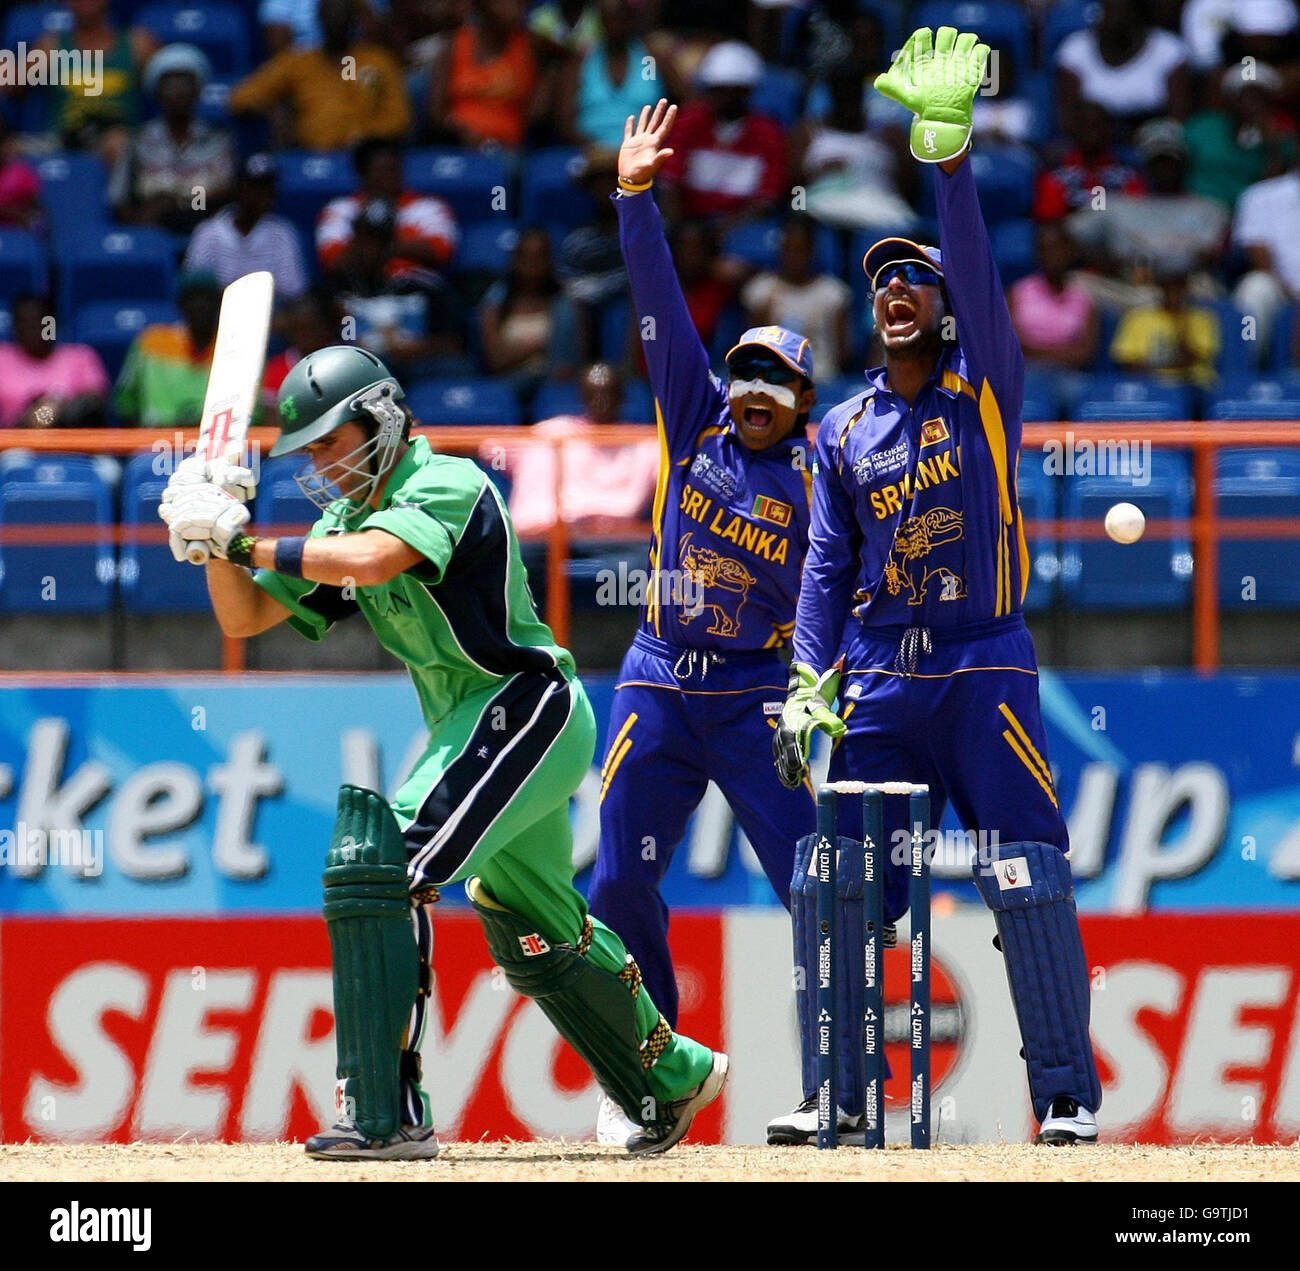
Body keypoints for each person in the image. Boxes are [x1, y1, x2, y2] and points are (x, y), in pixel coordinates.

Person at [156, 342, 727, 1158]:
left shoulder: (446, 482)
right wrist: (210, 539)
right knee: (533, 928)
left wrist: (246, 542)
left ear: (381, 420)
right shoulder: (341, 523)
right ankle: (673, 1073)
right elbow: (244, 617)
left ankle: (386, 1110)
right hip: (482, 724)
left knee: (383, 866)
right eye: (306, 451)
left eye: (328, 442)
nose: (317, 465)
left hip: (524, 707)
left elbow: (376, 559)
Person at [772, 26, 1102, 1147]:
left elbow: (973, 264)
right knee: (837, 884)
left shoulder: (985, 387)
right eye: (881, 283)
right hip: (879, 678)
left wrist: (948, 159)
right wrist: (806, 680)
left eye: (913, 278)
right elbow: (827, 564)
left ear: (948, 304)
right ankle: (835, 1093)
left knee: (1026, 873)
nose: (895, 292)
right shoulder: (842, 427)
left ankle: (1064, 1097)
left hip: (984, 662)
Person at [588, 100, 818, 1145]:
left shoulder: (821, 477)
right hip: (658, 674)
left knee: (815, 883)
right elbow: (658, 303)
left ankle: (835, 1085)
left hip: (757, 693)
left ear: (804, 400)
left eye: (779, 379)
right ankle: (648, 1078)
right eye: (747, 370)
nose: (756, 389)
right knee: (617, 876)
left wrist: (822, 684)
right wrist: (635, 195)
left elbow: (846, 590)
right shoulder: (693, 420)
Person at [493, 362, 658, 537]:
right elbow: (494, 451)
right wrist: (507, 475)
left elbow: (670, 474)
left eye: (608, 393)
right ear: (582, 396)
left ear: (621, 396)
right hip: (542, 534)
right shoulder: (552, 431)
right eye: (593, 394)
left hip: (610, 539)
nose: (601, 401)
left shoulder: (644, 443)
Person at [230, 0, 412, 151]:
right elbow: (241, 98)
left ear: (354, 19)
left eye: (343, 14)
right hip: (312, 155)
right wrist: (273, 110)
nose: (337, 20)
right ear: (319, 17)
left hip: (367, 158)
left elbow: (398, 117)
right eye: (331, 13)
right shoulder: (298, 61)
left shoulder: (376, 61)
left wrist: (362, 137)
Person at [658, 41, 787, 227]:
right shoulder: (689, 122)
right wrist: (678, 228)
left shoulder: (767, 132)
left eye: (725, 91)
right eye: (713, 89)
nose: (717, 97)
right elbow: (669, 181)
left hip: (744, 227)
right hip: (691, 223)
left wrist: (724, 230)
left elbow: (767, 197)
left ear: (745, 92)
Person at [111, 44, 236, 234]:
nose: (178, 91)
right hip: (153, 230)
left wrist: (175, 203)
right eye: (170, 84)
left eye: (186, 84)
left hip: (205, 229)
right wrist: (140, 229)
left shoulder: (218, 139)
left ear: (197, 91)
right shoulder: (138, 140)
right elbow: (120, 200)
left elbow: (223, 194)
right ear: (157, 92)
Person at [316, 138, 459, 279]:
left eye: (395, 169)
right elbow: (333, 259)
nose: (392, 177)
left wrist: (378, 246)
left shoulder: (428, 207)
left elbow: (440, 250)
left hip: (413, 284)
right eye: (383, 170)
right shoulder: (341, 209)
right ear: (362, 173)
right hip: (356, 287)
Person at [1054, 0, 1191, 140]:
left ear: (1137, 14)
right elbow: (1067, 120)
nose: (1116, 18)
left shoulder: (1169, 50)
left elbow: (1178, 120)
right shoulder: (1075, 50)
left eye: (1124, 11)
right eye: (1111, 11)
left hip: (1153, 142)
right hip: (1094, 144)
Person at [184, 154, 308, 303]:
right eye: (255, 188)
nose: (262, 196)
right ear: (239, 190)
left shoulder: (283, 233)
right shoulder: (208, 231)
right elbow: (193, 287)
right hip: (218, 309)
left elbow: (293, 290)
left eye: (267, 189)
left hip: (269, 310)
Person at [741, 216, 852, 379]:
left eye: (800, 250)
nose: (794, 257)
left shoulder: (832, 292)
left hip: (822, 378)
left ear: (812, 251)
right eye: (789, 250)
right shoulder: (761, 290)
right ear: (780, 250)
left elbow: (843, 354)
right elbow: (752, 349)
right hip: (774, 379)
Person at [479, 228, 579, 395]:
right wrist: (538, 347)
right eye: (526, 256)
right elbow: (495, 360)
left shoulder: (566, 303)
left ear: (550, 260)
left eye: (540, 256)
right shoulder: (496, 301)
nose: (533, 263)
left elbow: (572, 362)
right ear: (515, 259)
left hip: (554, 383)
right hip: (510, 384)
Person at [114, 272, 221, 428]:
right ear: (180, 304)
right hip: (157, 437)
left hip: (216, 438)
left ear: (219, 304)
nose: (200, 306)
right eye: (192, 299)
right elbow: (125, 403)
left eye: (208, 299)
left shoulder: (234, 349)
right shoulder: (151, 343)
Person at [428, 0, 539, 148]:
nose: (516, 9)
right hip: (458, 145)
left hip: (509, 148)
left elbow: (568, 54)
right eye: (505, 3)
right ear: (483, 6)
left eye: (519, 3)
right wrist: (462, 132)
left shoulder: (532, 45)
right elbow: (436, 113)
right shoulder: (454, 44)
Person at [0, 296, 110, 429]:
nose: (32, 330)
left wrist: (52, 408)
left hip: (72, 436)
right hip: (14, 436)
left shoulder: (79, 356)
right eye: (24, 323)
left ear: (52, 325)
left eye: (39, 323)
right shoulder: (2, 358)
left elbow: (95, 401)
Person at [1232, 151, 1300, 351]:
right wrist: (1292, 292)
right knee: (1255, 290)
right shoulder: (1262, 195)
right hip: (1281, 288)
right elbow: (1257, 251)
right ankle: (1247, 355)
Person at [1009, 223, 1099, 372]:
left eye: (1058, 248)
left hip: (1069, 374)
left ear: (1070, 252)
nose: (1052, 255)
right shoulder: (1017, 293)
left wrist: (1041, 356)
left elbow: (1085, 353)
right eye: (1046, 249)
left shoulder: (1084, 298)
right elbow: (1009, 342)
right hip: (1024, 370)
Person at [1110, 264, 1221, 385]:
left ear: (1186, 289)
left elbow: (1193, 359)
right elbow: (1128, 362)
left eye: (1179, 287)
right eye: (1167, 286)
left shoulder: (1202, 319)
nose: (1173, 292)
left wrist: (1181, 321)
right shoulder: (1137, 318)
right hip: (1149, 385)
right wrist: (1162, 375)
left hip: (1191, 386)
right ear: (1159, 288)